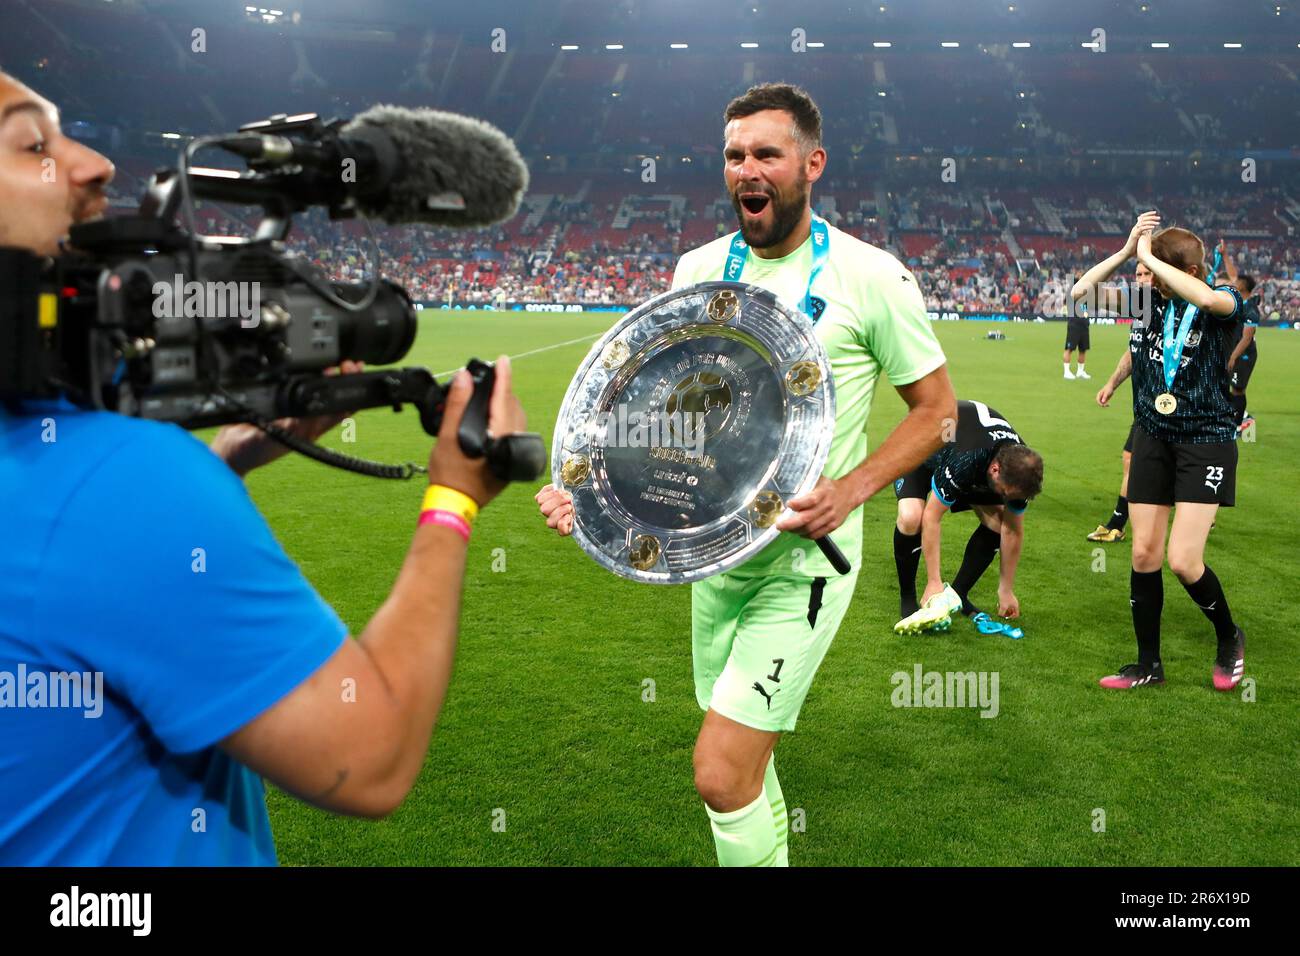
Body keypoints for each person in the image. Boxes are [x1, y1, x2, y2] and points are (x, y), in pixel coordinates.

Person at [0, 70, 529, 864]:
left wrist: (227, 461)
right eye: (32, 144)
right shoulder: (112, 482)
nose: (94, 165)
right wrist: (455, 497)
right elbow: (370, 759)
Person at [536, 83, 956, 866]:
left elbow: (937, 412)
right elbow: (665, 410)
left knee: (720, 774)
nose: (747, 169)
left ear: (811, 162)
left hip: (804, 568)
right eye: (735, 155)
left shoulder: (871, 276)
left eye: (767, 152)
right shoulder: (698, 269)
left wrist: (851, 490)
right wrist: (589, 494)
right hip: (713, 560)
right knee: (746, 768)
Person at [1082, 212, 1246, 691]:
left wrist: (1152, 258)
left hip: (1206, 443)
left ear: (1188, 272)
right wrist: (1128, 248)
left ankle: (1228, 635)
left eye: (1155, 269)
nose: (1147, 277)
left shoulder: (1224, 302)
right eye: (1145, 269)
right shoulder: (1149, 303)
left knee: (1183, 560)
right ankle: (1149, 666)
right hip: (1153, 437)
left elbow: (1206, 297)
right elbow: (1079, 294)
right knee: (1143, 553)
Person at [891, 400, 1043, 633]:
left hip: (959, 454)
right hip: (920, 446)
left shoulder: (1020, 471)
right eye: (1004, 493)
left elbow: (1012, 530)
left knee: (998, 523)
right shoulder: (968, 458)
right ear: (995, 470)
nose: (1006, 498)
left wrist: (1006, 589)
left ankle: (956, 595)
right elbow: (932, 517)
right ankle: (908, 597)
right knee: (912, 516)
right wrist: (934, 582)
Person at [1086, 261, 1153, 543]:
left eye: (1147, 273)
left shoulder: (1170, 309)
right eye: (1137, 274)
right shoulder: (1142, 308)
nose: (1141, 280)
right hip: (1146, 407)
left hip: (1172, 409)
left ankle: (1118, 522)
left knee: (1139, 462)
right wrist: (1112, 383)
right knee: (1132, 460)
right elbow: (1133, 350)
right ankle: (1119, 522)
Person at [1218, 242, 1262, 432]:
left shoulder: (1250, 309)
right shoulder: (1239, 300)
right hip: (1233, 351)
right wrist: (1225, 254)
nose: (1232, 283)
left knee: (1238, 389)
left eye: (1235, 283)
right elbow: (1233, 273)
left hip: (1243, 355)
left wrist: (1233, 356)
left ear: (1242, 288)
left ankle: (1237, 424)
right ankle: (1232, 418)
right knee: (1227, 387)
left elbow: (1246, 338)